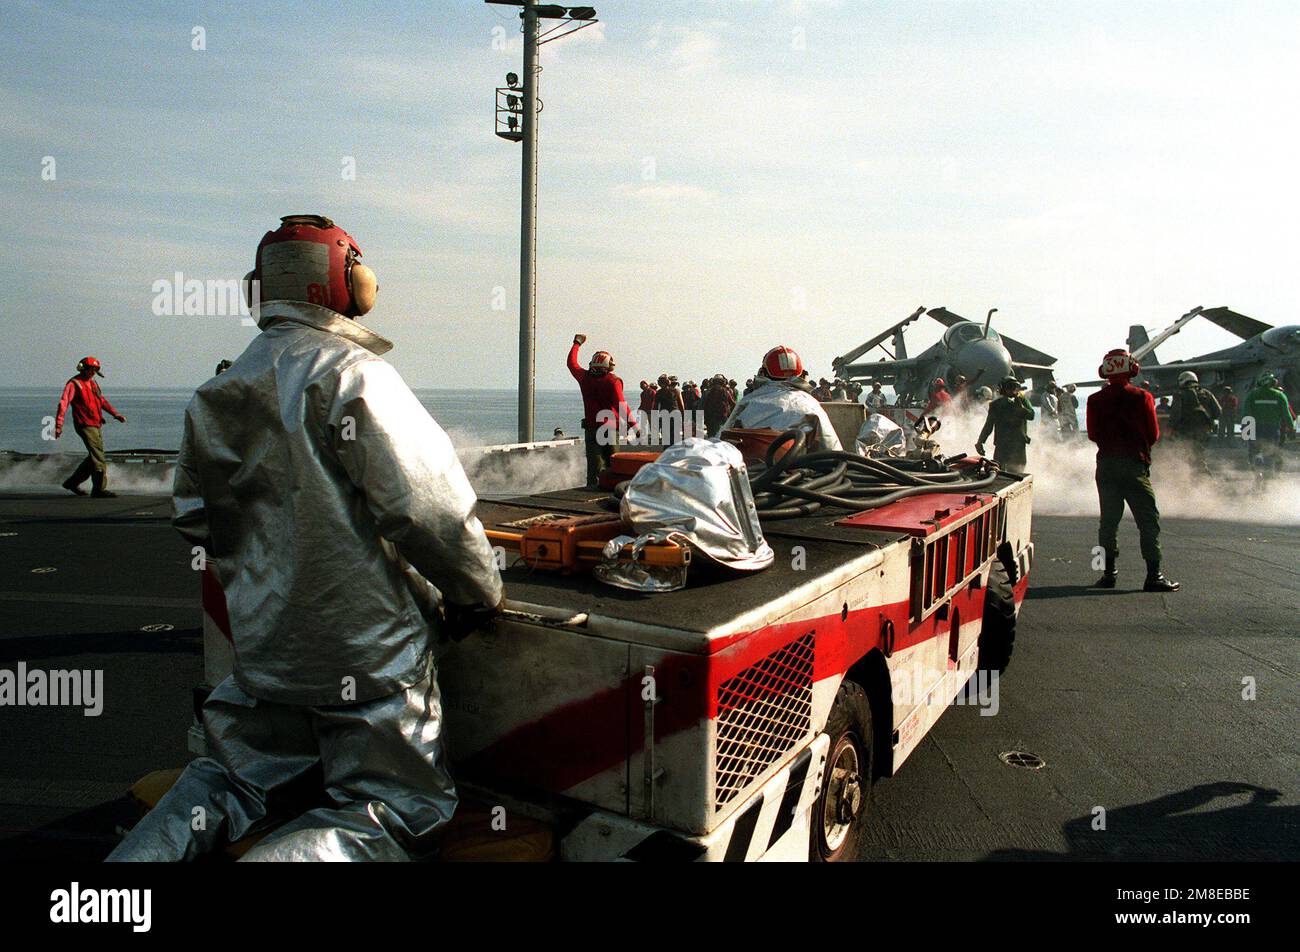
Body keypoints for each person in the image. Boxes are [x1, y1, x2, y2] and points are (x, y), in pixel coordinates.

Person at [108, 214, 504, 862]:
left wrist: (264, 579)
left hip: (266, 655)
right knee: (391, 810)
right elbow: (428, 509)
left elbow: (195, 517)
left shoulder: (217, 393)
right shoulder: (354, 374)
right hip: (368, 657)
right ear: (350, 285)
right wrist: (476, 590)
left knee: (225, 781)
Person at [1086, 348, 1178, 592]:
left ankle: (1108, 574)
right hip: (1134, 465)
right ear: (1132, 369)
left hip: (1106, 465)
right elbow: (1154, 434)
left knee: (1108, 522)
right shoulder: (1142, 397)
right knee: (1148, 521)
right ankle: (1153, 576)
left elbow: (1093, 434)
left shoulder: (1094, 400)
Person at [720, 346, 843, 451]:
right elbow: (832, 448)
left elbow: (720, 441)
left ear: (763, 372)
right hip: (801, 473)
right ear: (801, 374)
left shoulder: (747, 402)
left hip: (753, 474)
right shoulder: (811, 405)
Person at [54, 357, 127, 498]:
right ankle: (98, 489)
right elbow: (63, 403)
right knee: (99, 456)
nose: (93, 372)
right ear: (83, 368)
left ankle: (72, 482)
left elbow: (101, 401)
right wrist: (58, 425)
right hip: (85, 424)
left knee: (94, 456)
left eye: (95, 370)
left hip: (96, 423)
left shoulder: (93, 384)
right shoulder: (74, 384)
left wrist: (115, 414)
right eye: (91, 369)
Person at [569, 335, 637, 484]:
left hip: (591, 429)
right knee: (613, 466)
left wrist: (577, 344)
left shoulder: (584, 378)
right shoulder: (613, 382)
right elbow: (621, 405)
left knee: (594, 468)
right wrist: (634, 426)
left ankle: (591, 491)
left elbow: (571, 364)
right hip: (610, 429)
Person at [975, 376, 1035, 474]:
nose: (1012, 390)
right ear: (1003, 388)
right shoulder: (996, 405)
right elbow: (988, 425)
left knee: (1018, 473)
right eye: (1009, 387)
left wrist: (1021, 409)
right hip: (1002, 445)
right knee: (999, 472)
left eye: (1014, 387)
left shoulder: (1022, 401)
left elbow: (1031, 415)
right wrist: (980, 442)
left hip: (1018, 444)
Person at [1241, 371, 1296, 475]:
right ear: (1274, 382)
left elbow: (1246, 414)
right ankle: (1267, 480)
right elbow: (1287, 415)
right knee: (1269, 454)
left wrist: (1245, 431)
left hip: (1255, 429)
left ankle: (1257, 473)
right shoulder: (1280, 395)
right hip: (1272, 429)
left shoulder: (1252, 395)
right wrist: (1291, 429)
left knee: (1253, 452)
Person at [1168, 370, 1220, 471]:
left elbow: (1176, 414)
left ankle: (1198, 478)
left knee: (1185, 455)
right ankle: (1199, 478)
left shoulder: (1179, 394)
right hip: (1203, 431)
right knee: (1198, 453)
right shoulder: (1207, 393)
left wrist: (1171, 427)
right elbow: (1218, 411)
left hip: (1186, 430)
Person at [701, 372, 735, 437]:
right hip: (721, 417)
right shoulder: (726, 391)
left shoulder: (708, 392)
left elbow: (702, 406)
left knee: (712, 436)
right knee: (722, 436)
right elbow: (733, 404)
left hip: (710, 418)